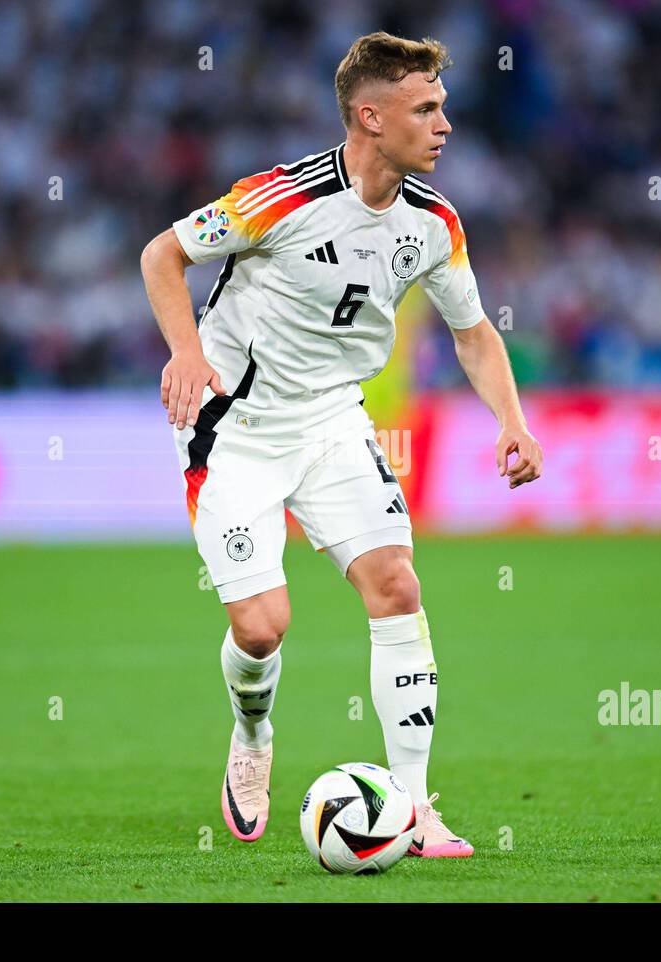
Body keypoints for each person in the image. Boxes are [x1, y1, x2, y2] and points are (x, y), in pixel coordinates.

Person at [141, 31, 542, 858]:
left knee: (396, 584)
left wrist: (512, 419)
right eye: (425, 108)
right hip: (236, 427)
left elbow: (474, 335)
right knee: (262, 629)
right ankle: (253, 733)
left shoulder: (435, 223)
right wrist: (186, 351)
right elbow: (163, 254)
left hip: (332, 420)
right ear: (371, 115)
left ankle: (416, 805)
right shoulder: (278, 198)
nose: (444, 125)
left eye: (442, 106)